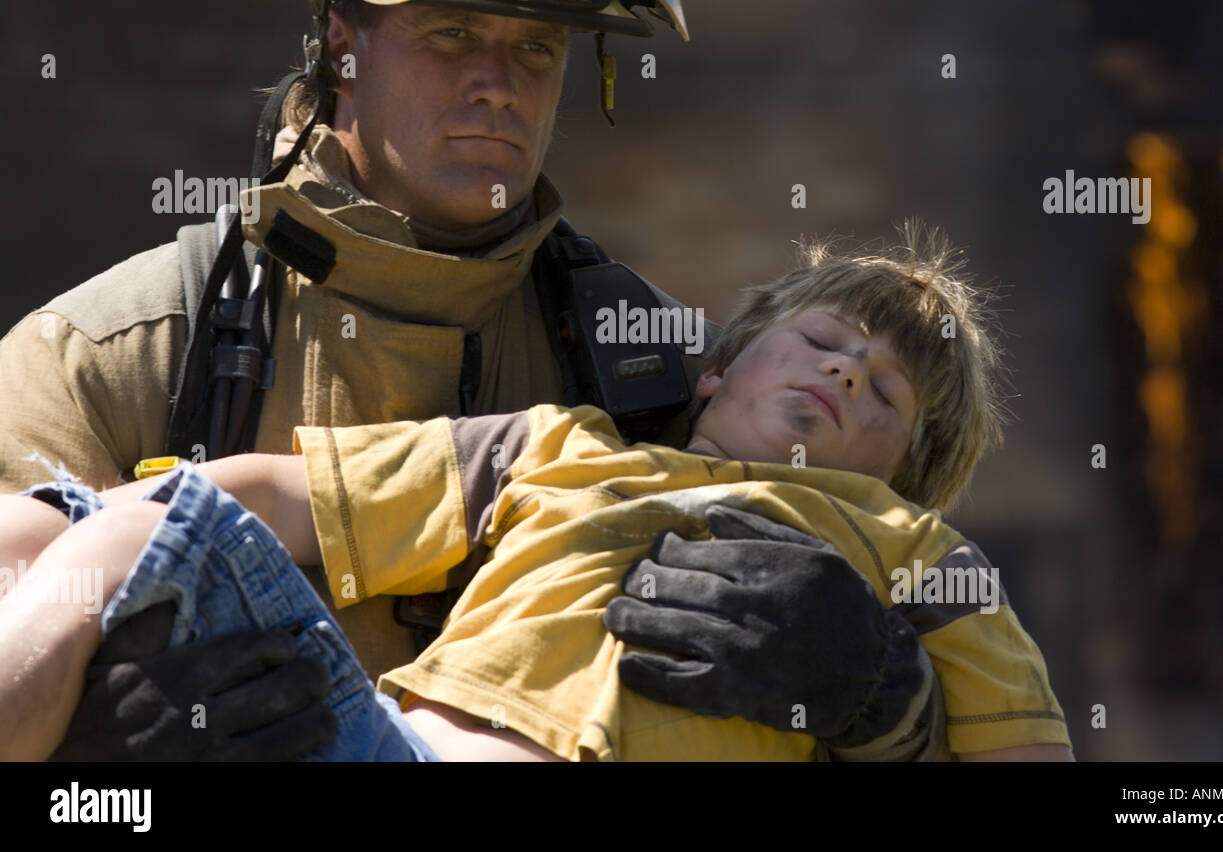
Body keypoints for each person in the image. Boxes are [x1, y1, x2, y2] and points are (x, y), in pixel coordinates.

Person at [0, 0, 949, 760]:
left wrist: (886, 706)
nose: (499, 83)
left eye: (536, 48)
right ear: (343, 48)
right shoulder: (120, 353)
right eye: (452, 32)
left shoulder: (659, 368)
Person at [0, 234, 1072, 761]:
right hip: (387, 749)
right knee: (136, 527)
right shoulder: (558, 441)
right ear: (714, 368)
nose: (844, 371)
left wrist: (890, 710)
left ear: (905, 470)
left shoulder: (919, 552)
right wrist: (91, 533)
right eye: (824, 341)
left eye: (885, 387)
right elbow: (286, 494)